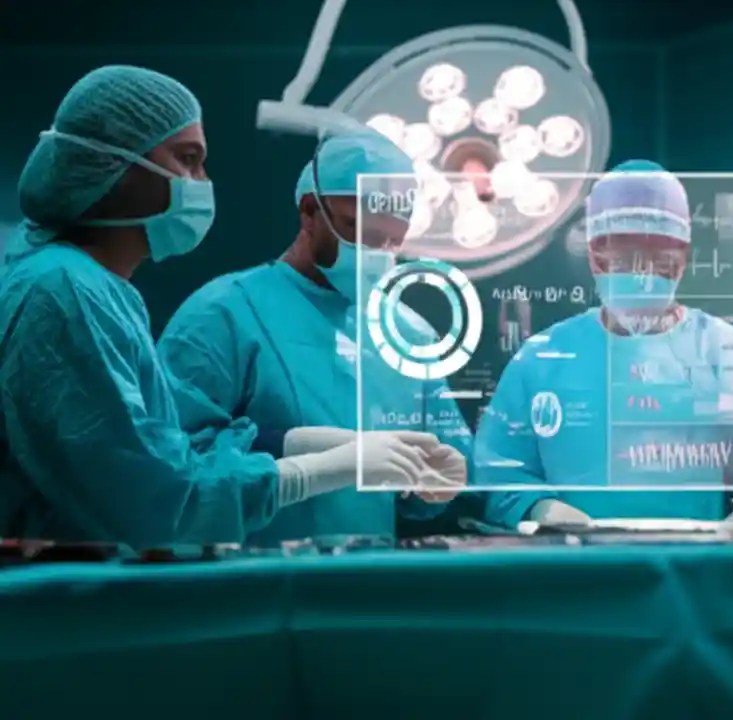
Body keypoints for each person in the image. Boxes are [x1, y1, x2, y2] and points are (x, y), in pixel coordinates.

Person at [0, 66, 438, 549]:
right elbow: (161, 502)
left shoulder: (93, 290)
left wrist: (300, 444)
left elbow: (170, 451)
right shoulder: (64, 294)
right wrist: (314, 470)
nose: (202, 182)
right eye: (188, 159)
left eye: (392, 241)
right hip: (66, 606)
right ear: (111, 164)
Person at [158, 131, 470, 545]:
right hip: (251, 586)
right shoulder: (223, 314)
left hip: (370, 583)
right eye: (361, 232)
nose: (380, 252)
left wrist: (434, 482)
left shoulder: (409, 333)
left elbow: (425, 488)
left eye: (394, 240)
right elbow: (171, 465)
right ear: (309, 211)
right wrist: (292, 448)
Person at [474, 160, 733, 526]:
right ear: (595, 258)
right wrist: (540, 508)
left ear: (683, 260)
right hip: (572, 567)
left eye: (658, 261)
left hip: (702, 568)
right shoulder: (542, 360)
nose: (642, 275)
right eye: (623, 259)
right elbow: (498, 473)